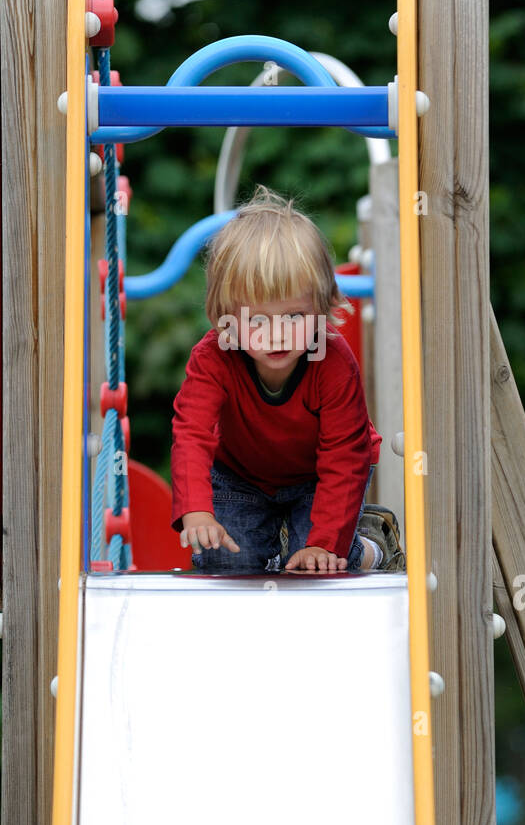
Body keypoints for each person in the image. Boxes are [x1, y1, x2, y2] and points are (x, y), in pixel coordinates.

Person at [170, 184, 405, 575]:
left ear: (323, 306)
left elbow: (344, 456)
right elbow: (192, 432)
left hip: (319, 476)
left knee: (320, 562)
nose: (276, 334)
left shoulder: (331, 362)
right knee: (227, 562)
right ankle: (270, 550)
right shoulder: (213, 358)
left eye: (294, 317)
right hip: (240, 474)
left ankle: (371, 546)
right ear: (224, 316)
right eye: (256, 319)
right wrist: (196, 509)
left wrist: (323, 543)